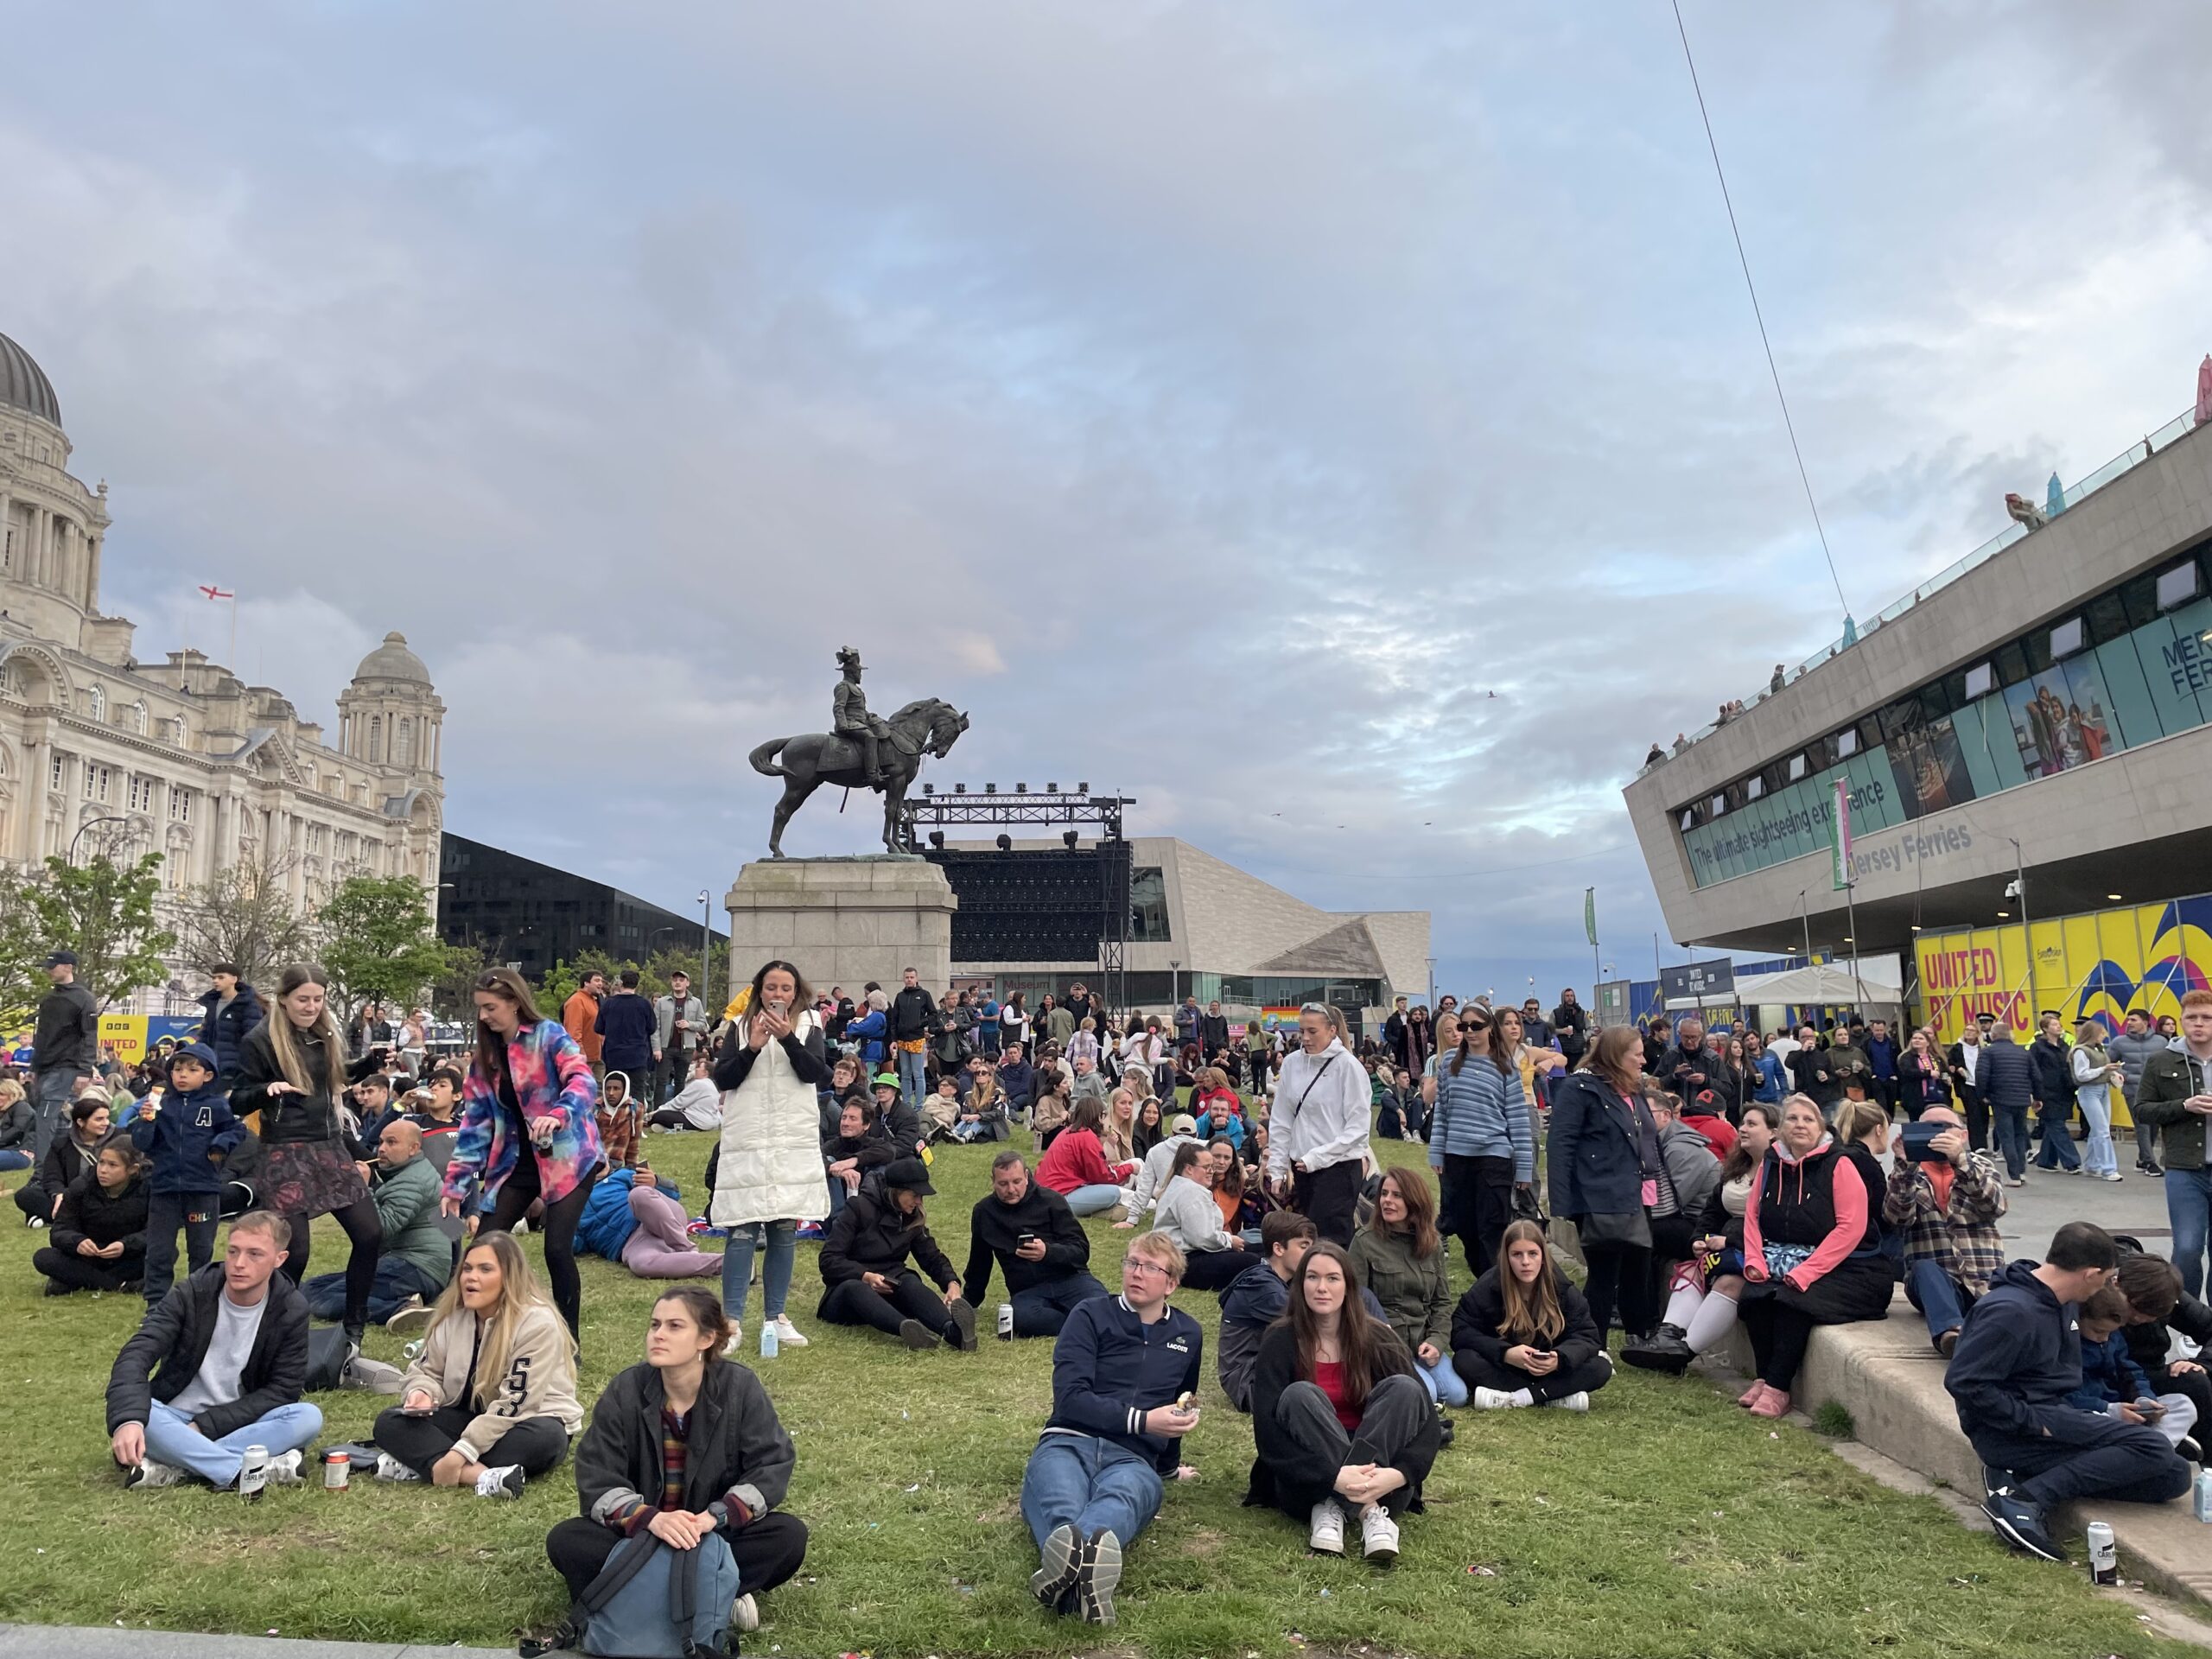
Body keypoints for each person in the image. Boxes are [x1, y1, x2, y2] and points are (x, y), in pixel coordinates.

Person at [551, 1287, 807, 1639]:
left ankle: (645, 1594)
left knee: (787, 1536)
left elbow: (772, 1464)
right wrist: (652, 1519)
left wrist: (712, 1517)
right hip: (642, 1538)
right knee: (568, 1540)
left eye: (674, 1326)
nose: (658, 1334)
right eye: (655, 1324)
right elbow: (597, 1474)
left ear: (706, 1338)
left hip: (711, 1535)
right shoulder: (627, 1389)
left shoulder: (739, 1387)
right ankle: (714, 1593)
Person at [1949, 1222, 2191, 1561]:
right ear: (2091, 1274)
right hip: (2014, 1429)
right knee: (2150, 1446)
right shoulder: (2011, 1311)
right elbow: (1964, 1383)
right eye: (2108, 1279)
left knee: (2174, 1475)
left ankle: (2022, 1476)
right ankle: (2024, 1499)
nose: (2108, 1288)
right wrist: (2033, 1424)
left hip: (2057, 1416)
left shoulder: (2061, 1303)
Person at [1021, 1233, 1203, 1626]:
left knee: (1121, 1499)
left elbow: (1178, 1399)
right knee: (1064, 1508)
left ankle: (1066, 1579)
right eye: (1132, 1263)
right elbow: (1070, 1399)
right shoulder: (1089, 1314)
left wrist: (1170, 1465)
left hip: (1135, 1457)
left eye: (1150, 1267)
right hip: (1069, 1441)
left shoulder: (1188, 1334)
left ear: (1171, 1283)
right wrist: (1144, 1420)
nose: (1137, 1273)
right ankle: (1085, 1584)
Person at [1246, 1241, 1440, 1565]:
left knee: (1406, 1389)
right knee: (1299, 1395)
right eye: (1312, 1277)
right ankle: (1361, 1510)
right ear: (1300, 1284)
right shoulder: (1280, 1340)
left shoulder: (1378, 1338)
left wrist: (1401, 1475)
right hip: (1309, 1480)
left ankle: (1346, 1507)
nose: (1322, 1288)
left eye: (1333, 1278)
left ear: (1349, 1286)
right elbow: (1267, 1434)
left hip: (1383, 1482)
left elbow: (1429, 1424)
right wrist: (1333, 1477)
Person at [441, 968, 605, 1342]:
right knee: (482, 1247)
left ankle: (568, 1341)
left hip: (569, 1159)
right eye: (480, 1008)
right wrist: (455, 1186)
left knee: (557, 1248)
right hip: (515, 1163)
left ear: (514, 1003)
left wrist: (558, 1114)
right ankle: (471, 1336)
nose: (483, 1016)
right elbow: (474, 1126)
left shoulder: (549, 1035)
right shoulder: (484, 1059)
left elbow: (583, 1080)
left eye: (490, 1007)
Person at [105, 1211, 320, 1491]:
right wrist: (129, 1420)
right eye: (233, 1251)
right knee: (141, 1416)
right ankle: (241, 1471)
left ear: (279, 1260)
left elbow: (282, 1390)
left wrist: (204, 1428)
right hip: (174, 1416)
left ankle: (177, 1463)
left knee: (307, 1417)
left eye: (255, 1254)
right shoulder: (194, 1292)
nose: (239, 1264)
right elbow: (137, 1353)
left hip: (241, 1421)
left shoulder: (291, 1308)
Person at [232, 963, 387, 1345]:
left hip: (328, 1145)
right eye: (303, 999)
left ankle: (354, 1327)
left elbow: (334, 1078)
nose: (312, 1006)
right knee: (296, 1251)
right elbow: (238, 1098)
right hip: (284, 1149)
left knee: (370, 1234)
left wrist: (368, 1065)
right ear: (283, 999)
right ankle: (272, 1330)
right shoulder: (259, 1040)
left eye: (318, 999)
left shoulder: (323, 1032)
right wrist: (268, 1089)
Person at [372, 1231, 582, 1498]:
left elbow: (516, 1403)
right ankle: (483, 1477)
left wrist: (463, 1451)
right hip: (471, 1415)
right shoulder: (452, 1316)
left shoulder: (537, 1323)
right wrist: (421, 1393)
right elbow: (427, 1372)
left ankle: (424, 1462)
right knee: (391, 1421)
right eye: (467, 1269)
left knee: (543, 1440)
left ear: (509, 1278)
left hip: (525, 1419)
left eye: (485, 1270)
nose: (471, 1277)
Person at [1736, 1095, 1893, 1418]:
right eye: (1792, 1119)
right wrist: (1755, 1261)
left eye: (1808, 1119)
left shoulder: (1840, 1163)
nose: (1800, 1125)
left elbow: (1851, 1228)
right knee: (1755, 1295)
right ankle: (1764, 1378)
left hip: (1856, 1269)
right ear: (1780, 1129)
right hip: (1791, 1260)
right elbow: (1752, 1216)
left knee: (1794, 1300)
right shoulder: (1771, 1164)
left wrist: (1807, 1272)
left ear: (1821, 1128)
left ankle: (1779, 1389)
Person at [707, 960, 831, 1353]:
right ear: (760, 989)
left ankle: (776, 1316)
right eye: (772, 987)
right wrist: (754, 1046)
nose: (778, 995)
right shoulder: (740, 1027)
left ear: (797, 992)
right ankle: (731, 1321)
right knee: (742, 1229)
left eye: (786, 988)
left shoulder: (810, 1025)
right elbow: (723, 1078)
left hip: (790, 1138)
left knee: (783, 1228)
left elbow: (816, 1073)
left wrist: (789, 1039)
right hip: (749, 1138)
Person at [1626, 1101, 1781, 1374]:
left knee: (1729, 1283)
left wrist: (1730, 1242)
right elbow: (1712, 1211)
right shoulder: (1736, 1167)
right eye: (1743, 1123)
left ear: (1773, 1133)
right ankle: (1667, 1336)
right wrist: (1699, 1238)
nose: (1742, 1129)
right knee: (1692, 1271)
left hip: (1764, 1253)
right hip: (1728, 1246)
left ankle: (1681, 1354)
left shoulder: (1783, 1174)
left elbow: (1780, 1223)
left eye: (1752, 1124)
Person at [1548, 1026, 1664, 1342]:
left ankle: (1638, 1335)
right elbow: (1561, 1145)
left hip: (1639, 1193)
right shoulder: (1580, 1088)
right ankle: (1591, 1341)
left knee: (1639, 1268)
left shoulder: (1635, 1088)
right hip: (1599, 1195)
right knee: (1604, 1273)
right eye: (1637, 1054)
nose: (1644, 1060)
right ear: (1616, 1055)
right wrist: (1563, 1203)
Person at [124, 1042, 244, 1306]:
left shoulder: (216, 1106)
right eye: (177, 1069)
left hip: (202, 1188)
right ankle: (155, 1304)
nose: (182, 1075)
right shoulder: (160, 1105)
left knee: (201, 1248)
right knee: (159, 1250)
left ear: (208, 1075)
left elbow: (237, 1130)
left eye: (192, 1070)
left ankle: (199, 1301)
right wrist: (146, 1122)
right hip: (165, 1189)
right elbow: (142, 1144)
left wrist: (219, 1145)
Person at [816, 1157, 976, 1350]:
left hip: (890, 1287)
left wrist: (952, 1283)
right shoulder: (858, 1208)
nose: (919, 1201)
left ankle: (953, 1331)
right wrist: (865, 1276)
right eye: (915, 1195)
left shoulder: (912, 1217)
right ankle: (909, 1331)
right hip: (846, 1296)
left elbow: (931, 1257)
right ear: (897, 1190)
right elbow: (829, 1259)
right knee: (854, 1287)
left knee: (910, 1282)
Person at [1452, 1217, 1612, 1410]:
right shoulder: (1488, 1286)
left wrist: (1560, 1358)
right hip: (1507, 1368)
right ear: (1506, 1257)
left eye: (1533, 1254)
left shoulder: (1562, 1288)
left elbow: (1588, 1336)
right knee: (1464, 1360)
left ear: (1543, 1256)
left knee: (1601, 1367)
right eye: (1517, 1254)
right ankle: (1551, 1396)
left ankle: (1516, 1398)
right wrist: (1505, 1353)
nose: (1525, 1262)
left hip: (1550, 1369)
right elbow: (1461, 1330)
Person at [1884, 1105, 2005, 1357]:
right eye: (1925, 1129)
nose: (1935, 1137)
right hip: (1933, 1283)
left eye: (1943, 1129)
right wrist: (1904, 1169)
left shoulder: (1982, 1166)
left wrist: (1960, 1162)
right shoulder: (1909, 1173)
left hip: (1982, 1280)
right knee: (1924, 1268)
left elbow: (1995, 1205)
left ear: (1963, 1135)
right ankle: (1950, 1335)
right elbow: (1897, 1218)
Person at [306, 1117, 450, 1325]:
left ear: (413, 1148)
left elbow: (378, 1231)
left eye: (391, 1143)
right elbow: (453, 1228)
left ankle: (400, 1308)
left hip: (415, 1268)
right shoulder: (421, 1171)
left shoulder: (412, 1181)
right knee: (311, 1288)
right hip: (420, 1267)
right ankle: (407, 1298)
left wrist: (363, 1189)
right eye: (381, 1142)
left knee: (325, 1300)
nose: (381, 1149)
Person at [1428, 1004, 1531, 1277]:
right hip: (1456, 1158)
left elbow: (1518, 1120)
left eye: (1476, 1026)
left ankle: (1499, 1289)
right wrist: (1437, 1152)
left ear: (1490, 1029)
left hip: (1494, 1158)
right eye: (1464, 1026)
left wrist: (1523, 1167)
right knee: (1463, 1227)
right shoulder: (1450, 1063)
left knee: (1493, 1228)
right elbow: (1442, 1112)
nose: (1469, 1032)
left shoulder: (1506, 1067)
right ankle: (1487, 1283)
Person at [966, 1148, 1109, 1337]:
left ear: (1026, 1176)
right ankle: (1081, 1322)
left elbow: (1081, 1251)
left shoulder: (1051, 1200)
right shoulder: (984, 1212)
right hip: (1027, 1290)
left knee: (1103, 1308)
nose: (1011, 1190)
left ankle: (1083, 1319)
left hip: (1071, 1280)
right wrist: (969, 1301)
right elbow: (980, 1262)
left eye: (1016, 1182)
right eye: (1003, 1184)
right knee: (1024, 1321)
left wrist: (1047, 1252)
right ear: (993, 1181)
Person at [1350, 1167, 1462, 1407]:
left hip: (1423, 1342)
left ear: (1414, 1201)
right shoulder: (1364, 1242)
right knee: (1427, 1394)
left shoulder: (1432, 1245)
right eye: (1384, 1194)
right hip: (1388, 1345)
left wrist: (1437, 1342)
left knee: (1457, 1395)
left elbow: (1442, 1302)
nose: (1387, 1201)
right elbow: (1355, 1300)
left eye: (1397, 1195)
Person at [1267, 1003, 1372, 1247]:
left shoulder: (1349, 1067)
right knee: (1305, 1236)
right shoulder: (1292, 1064)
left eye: (1312, 1031)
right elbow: (1281, 1119)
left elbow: (1358, 1131)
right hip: (1302, 1167)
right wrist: (1278, 1168)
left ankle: (1338, 1283)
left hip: (1339, 1166)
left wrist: (1318, 1157)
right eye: (1302, 1030)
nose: (1305, 1037)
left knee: (1329, 1239)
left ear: (1332, 1030)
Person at [2134, 987, 2212, 1296]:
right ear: (2181, 1021)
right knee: (2188, 1247)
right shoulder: (2161, 1061)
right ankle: (2190, 1320)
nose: (2199, 1023)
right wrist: (2184, 1106)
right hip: (2185, 1169)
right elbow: (2142, 1110)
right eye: (2191, 1017)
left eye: (2207, 1017)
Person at [2065, 1285, 2200, 1457]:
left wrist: (2143, 1398)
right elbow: (2065, 1395)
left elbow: (2129, 1370)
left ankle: (2149, 1446)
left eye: (2110, 1333)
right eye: (2099, 1331)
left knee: (2183, 1404)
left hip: (2123, 1406)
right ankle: (2151, 1449)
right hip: (2095, 1411)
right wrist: (2109, 1408)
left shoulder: (2112, 1338)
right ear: (2079, 1319)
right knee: (2095, 1423)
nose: (2104, 1338)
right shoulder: (2069, 1345)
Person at [2115, 1250, 2212, 1440]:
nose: (2139, 1317)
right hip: (2111, 1375)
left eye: (2150, 1315)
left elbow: (2208, 1325)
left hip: (2147, 1372)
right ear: (2117, 1286)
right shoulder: (2098, 1297)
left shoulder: (2164, 1293)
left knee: (2197, 1374)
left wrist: (2204, 1363)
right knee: (2194, 1382)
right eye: (2135, 1310)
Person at [37, 1138, 149, 1295]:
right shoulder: (81, 1186)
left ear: (132, 1169)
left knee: (166, 1254)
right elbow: (59, 1230)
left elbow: (155, 1232)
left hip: (127, 1257)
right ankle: (119, 1285)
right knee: (44, 1257)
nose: (103, 1170)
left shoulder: (149, 1190)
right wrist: (78, 1242)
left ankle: (75, 1281)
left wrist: (125, 1245)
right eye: (101, 1162)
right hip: (88, 1257)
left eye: (112, 1165)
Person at [1147, 1141, 1253, 1292]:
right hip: (1185, 1261)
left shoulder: (1182, 1186)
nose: (1211, 1171)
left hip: (1182, 1257)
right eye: (1206, 1167)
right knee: (1251, 1260)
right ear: (1189, 1169)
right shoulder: (1191, 1191)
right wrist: (1229, 1240)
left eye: (1211, 1167)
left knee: (1256, 1250)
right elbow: (1201, 1238)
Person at [30, 949, 99, 1161]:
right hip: (45, 1067)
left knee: (46, 1118)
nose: (48, 971)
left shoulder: (84, 998)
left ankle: (42, 1172)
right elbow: (41, 1036)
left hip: (66, 1066)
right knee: (54, 1120)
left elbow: (90, 1035)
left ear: (68, 967)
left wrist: (84, 1070)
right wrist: (34, 1068)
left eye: (52, 967)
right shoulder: (48, 999)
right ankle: (60, 1166)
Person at [16, 1093, 112, 1225]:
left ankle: (57, 1219)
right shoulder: (62, 1143)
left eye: (107, 1118)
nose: (105, 1123)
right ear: (81, 1122)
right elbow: (52, 1176)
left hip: (107, 1195)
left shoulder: (118, 1139)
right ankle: (67, 1217)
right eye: (99, 1119)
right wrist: (58, 1194)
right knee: (26, 1194)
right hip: (73, 1195)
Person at [1035, 1096, 1137, 1217]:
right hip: (1059, 1197)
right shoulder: (1086, 1136)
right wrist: (1130, 1168)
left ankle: (1101, 1210)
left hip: (1050, 1193)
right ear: (1098, 1116)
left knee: (1120, 1181)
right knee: (1114, 1193)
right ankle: (1145, 1202)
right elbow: (1103, 1176)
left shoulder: (1069, 1132)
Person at [2107, 1008, 2170, 1177]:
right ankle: (2150, 1162)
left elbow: (2169, 1062)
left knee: (2154, 1125)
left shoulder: (2161, 1041)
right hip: (2133, 1089)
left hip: (2158, 1090)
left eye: (2133, 1020)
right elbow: (2108, 1063)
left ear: (2145, 1022)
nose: (2129, 1023)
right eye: (2128, 1020)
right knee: (2141, 1125)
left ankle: (2143, 1159)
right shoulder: (2118, 1042)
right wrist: (2123, 1075)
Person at [194, 966, 265, 1094]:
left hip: (234, 1071)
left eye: (221, 977)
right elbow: (205, 1033)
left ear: (234, 979)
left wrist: (243, 1069)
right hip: (211, 1067)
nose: (215, 981)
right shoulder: (213, 1003)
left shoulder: (248, 1005)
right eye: (214, 977)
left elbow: (252, 1038)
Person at [2070, 1020, 2125, 1183]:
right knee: (2102, 1131)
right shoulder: (2081, 1051)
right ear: (2093, 1034)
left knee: (2098, 1129)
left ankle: (2093, 1165)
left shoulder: (2098, 1049)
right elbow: (2081, 1075)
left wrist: (2113, 1074)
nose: (2104, 1036)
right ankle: (2109, 1169)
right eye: (2101, 1033)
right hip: (2089, 1092)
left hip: (2103, 1089)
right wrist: (2104, 1069)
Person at [2026, 1012, 2081, 1173]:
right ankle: (2072, 1161)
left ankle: (2046, 1161)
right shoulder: (2038, 1047)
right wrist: (2035, 1093)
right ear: (2045, 1028)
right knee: (2057, 1126)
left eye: (2059, 1024)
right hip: (2046, 1092)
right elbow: (2033, 1070)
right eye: (2054, 1025)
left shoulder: (2065, 1045)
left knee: (2054, 1126)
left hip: (2065, 1091)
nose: (2059, 1027)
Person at [592, 970, 658, 1102]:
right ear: (636, 985)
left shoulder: (609, 1004)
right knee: (637, 1090)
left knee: (613, 1090)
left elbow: (598, 1028)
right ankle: (636, 1119)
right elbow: (652, 1028)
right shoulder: (644, 1004)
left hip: (614, 1054)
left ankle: (614, 1119)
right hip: (638, 1054)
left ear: (621, 983)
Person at [655, 970, 707, 1107]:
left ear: (687, 983)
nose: (677, 982)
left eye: (681, 980)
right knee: (661, 1081)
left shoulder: (696, 1002)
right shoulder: (661, 1002)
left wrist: (689, 1024)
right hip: (665, 1049)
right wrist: (656, 1048)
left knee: (680, 1081)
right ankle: (656, 1112)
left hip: (686, 1049)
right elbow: (655, 1027)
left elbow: (703, 1024)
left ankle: (677, 1111)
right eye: (675, 980)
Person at [889, 967, 936, 1110]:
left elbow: (933, 1014)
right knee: (905, 1073)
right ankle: (907, 1103)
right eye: (907, 977)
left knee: (918, 1073)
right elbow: (894, 1019)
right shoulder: (900, 996)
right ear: (904, 979)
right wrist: (894, 1039)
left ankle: (919, 1105)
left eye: (911, 977)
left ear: (916, 978)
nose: (909, 979)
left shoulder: (924, 995)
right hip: (902, 1039)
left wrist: (920, 1023)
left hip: (917, 1038)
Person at [650, 1052, 723, 1133]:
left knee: (659, 1116)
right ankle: (664, 1127)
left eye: (698, 1068)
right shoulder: (711, 1084)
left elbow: (679, 1102)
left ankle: (657, 1124)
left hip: (696, 1120)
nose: (696, 1069)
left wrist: (657, 1111)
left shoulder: (700, 1084)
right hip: (710, 1121)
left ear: (705, 1072)